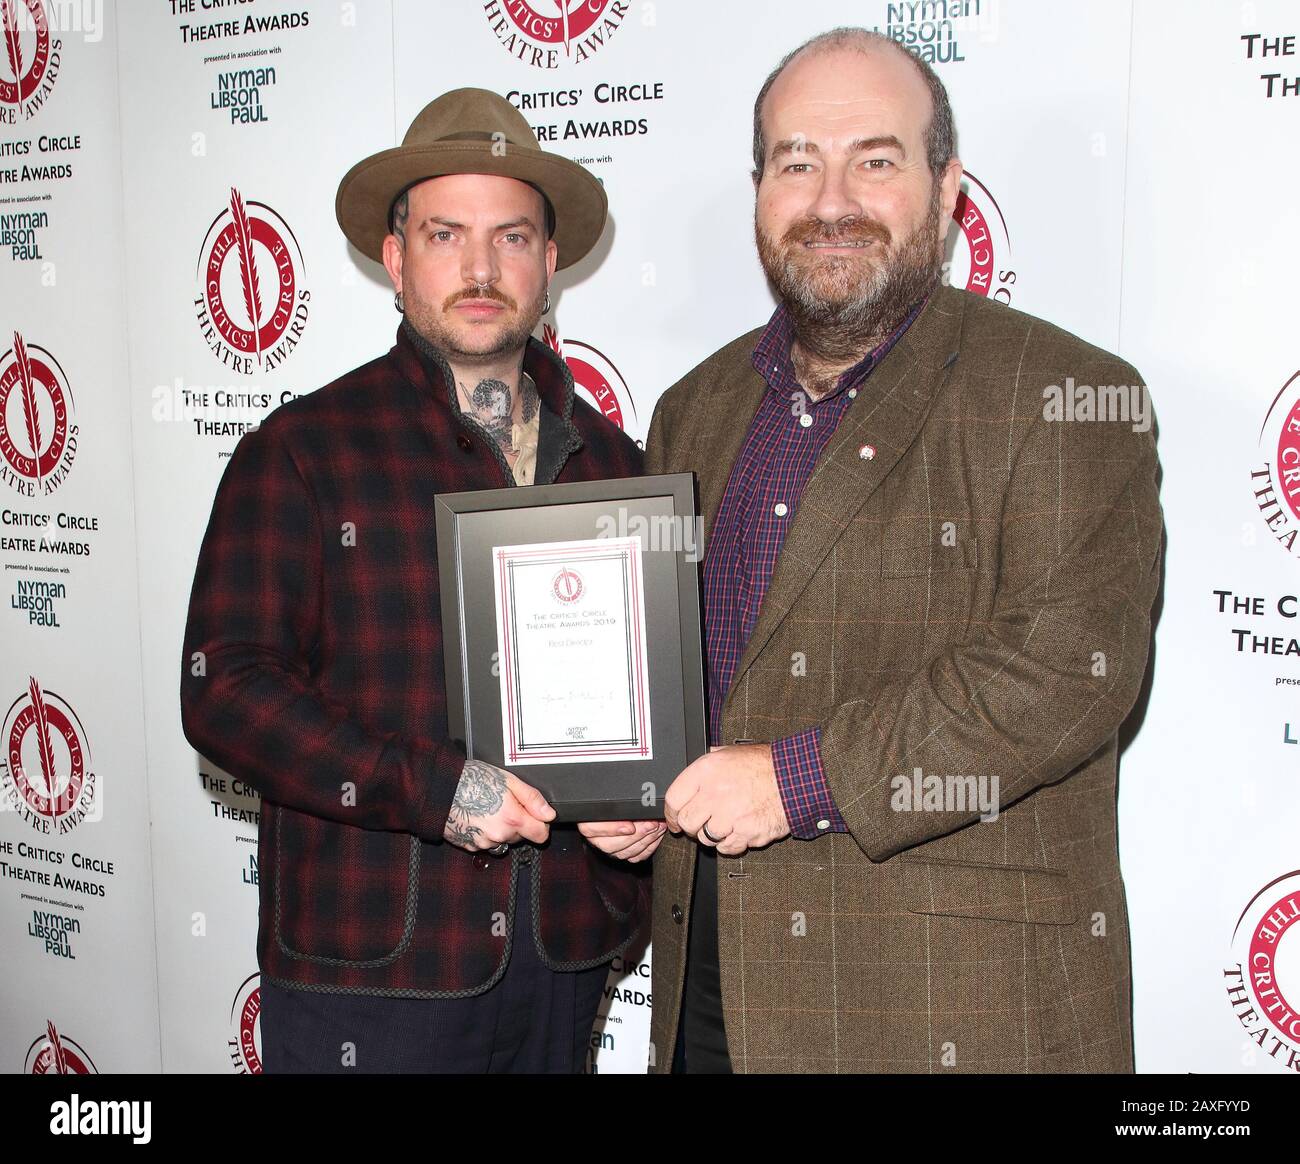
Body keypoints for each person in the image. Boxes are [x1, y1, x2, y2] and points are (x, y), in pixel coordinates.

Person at [594, 27, 1162, 1073]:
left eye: (876, 159)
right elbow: (676, 673)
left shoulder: (1063, 396)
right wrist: (628, 785)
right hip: (713, 996)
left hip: (951, 1005)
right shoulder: (694, 409)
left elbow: (1069, 671)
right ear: (759, 189)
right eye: (796, 160)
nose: (831, 198)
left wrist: (797, 779)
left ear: (946, 189)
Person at [180, 88, 660, 1074]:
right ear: (397, 260)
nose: (480, 269)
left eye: (511, 237)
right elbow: (223, 688)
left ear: (549, 262)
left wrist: (646, 794)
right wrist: (433, 788)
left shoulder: (619, 465)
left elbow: (655, 697)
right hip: (372, 973)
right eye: (446, 235)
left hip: (565, 955)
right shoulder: (303, 451)